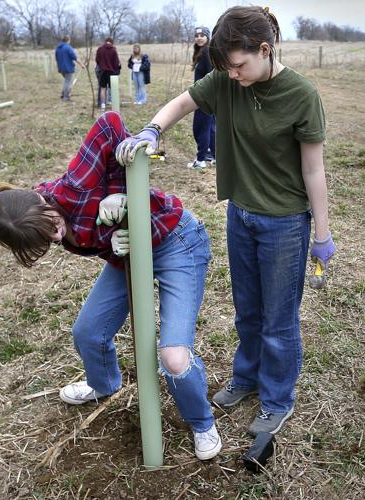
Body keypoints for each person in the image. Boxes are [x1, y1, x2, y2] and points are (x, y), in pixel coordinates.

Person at [116, 6, 336, 436]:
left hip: (286, 225)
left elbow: (314, 169)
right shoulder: (226, 81)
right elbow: (183, 101)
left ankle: (276, 399)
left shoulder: (301, 95)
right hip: (241, 215)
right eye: (227, 68)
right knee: (247, 312)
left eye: (239, 65)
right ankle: (247, 376)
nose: (233, 75)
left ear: (265, 49)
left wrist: (322, 236)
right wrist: (151, 130)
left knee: (279, 319)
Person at [0, 111, 222, 461]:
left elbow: (109, 122)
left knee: (174, 357)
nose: (56, 235)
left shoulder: (75, 187)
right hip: (129, 258)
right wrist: (124, 234)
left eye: (52, 226)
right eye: (46, 240)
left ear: (40, 203)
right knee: (88, 333)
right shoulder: (38, 224)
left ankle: (201, 422)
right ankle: (104, 385)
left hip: (176, 240)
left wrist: (125, 195)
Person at [190, 27, 216, 169]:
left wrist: (205, 96)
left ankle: (200, 160)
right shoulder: (202, 52)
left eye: (202, 35)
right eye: (197, 35)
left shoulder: (206, 53)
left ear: (207, 37)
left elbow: (211, 76)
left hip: (204, 97)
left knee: (200, 128)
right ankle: (215, 156)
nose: (199, 38)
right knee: (210, 128)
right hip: (205, 96)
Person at [55, 35, 84, 102]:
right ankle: (66, 97)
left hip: (61, 68)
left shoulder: (58, 48)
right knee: (69, 82)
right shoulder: (68, 48)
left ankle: (63, 94)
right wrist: (81, 65)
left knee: (66, 81)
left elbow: (56, 58)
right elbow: (75, 57)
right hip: (68, 68)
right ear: (68, 40)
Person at [95, 37, 121, 110]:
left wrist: (101, 65)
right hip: (111, 72)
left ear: (105, 41)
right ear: (112, 42)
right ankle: (113, 103)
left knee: (103, 88)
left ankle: (103, 104)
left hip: (102, 71)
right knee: (112, 88)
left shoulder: (100, 49)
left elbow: (97, 60)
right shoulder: (113, 50)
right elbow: (116, 62)